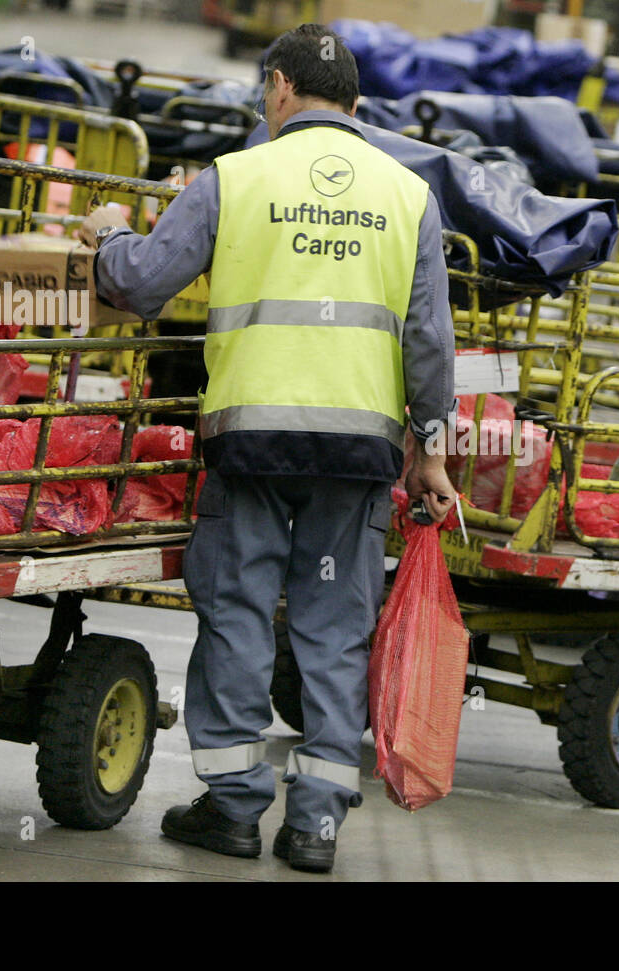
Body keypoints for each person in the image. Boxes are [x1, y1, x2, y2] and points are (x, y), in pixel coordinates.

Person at [79, 23, 457, 873]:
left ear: (278, 89)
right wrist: (431, 453)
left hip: (250, 446)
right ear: (358, 110)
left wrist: (105, 237)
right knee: (332, 630)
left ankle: (233, 807)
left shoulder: (236, 179)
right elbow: (431, 345)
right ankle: (317, 825)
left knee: (240, 614)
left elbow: (139, 283)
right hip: (358, 454)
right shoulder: (408, 196)